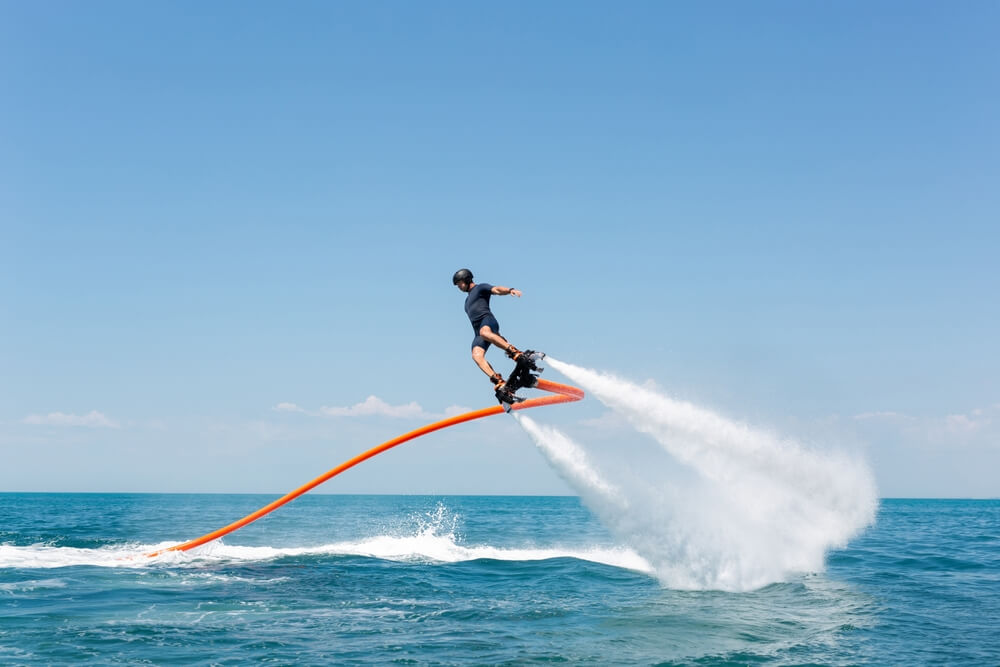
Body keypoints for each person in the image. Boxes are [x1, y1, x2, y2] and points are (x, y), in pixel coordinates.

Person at [452, 268, 528, 397]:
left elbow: (497, 289)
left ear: (467, 279)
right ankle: (499, 381)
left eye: (459, 283)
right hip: (479, 333)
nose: (458, 286)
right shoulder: (466, 301)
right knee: (476, 355)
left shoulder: (480, 288)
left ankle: (515, 352)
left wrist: (510, 290)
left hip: (488, 322)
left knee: (484, 332)